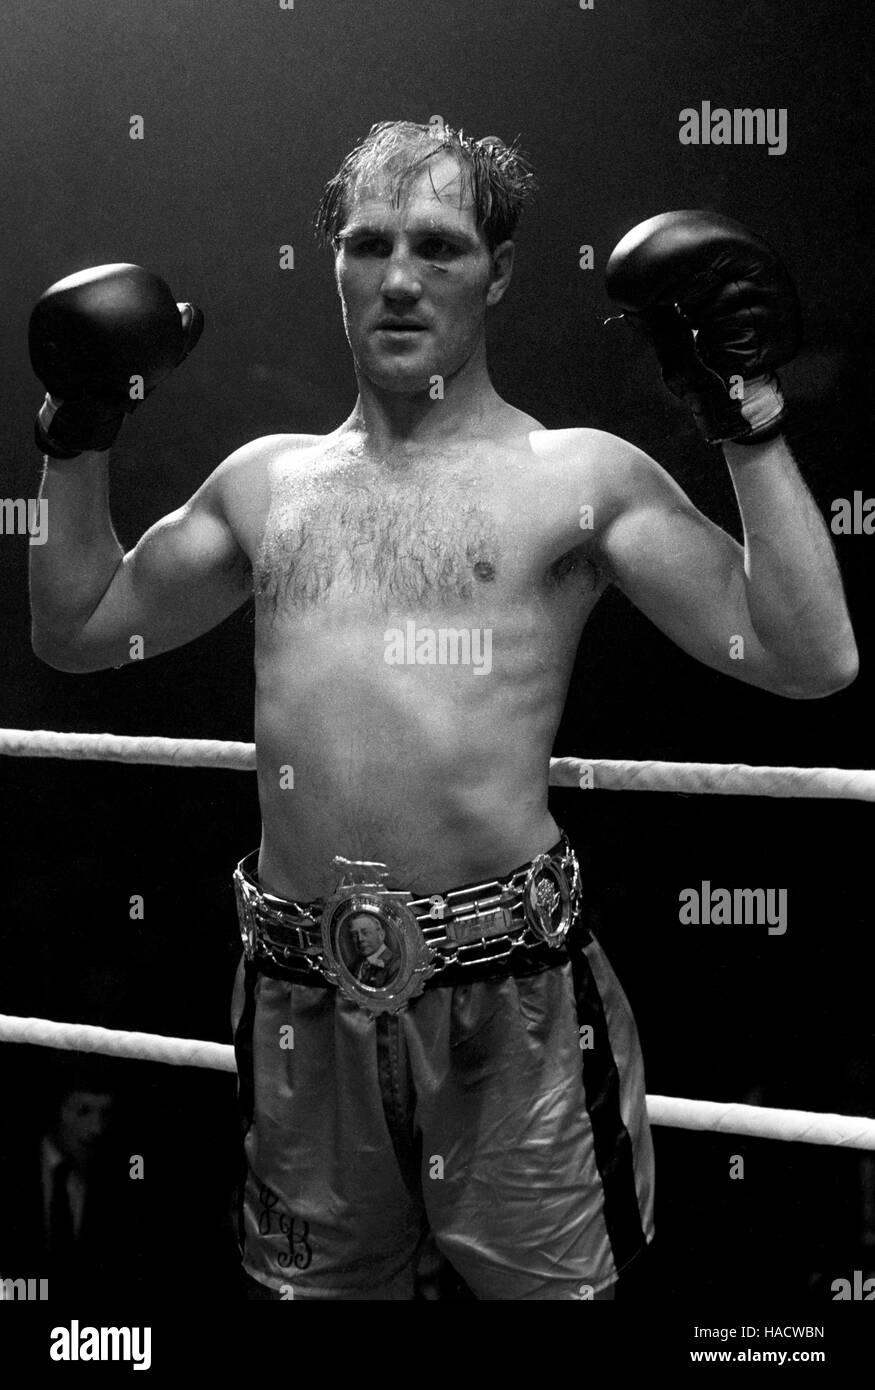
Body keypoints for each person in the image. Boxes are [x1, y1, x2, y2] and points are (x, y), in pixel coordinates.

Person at [28, 120, 858, 1300]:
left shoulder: (577, 476)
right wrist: (76, 434)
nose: (400, 277)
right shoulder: (266, 483)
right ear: (331, 261)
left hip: (512, 1001)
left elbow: (807, 653)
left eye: (440, 246)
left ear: (500, 270)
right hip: (298, 998)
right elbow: (77, 631)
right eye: (368, 244)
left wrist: (746, 412)